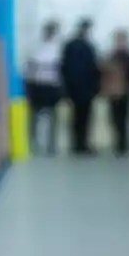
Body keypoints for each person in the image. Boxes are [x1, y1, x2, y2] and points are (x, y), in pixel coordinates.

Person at [59, 18, 101, 156]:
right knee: (85, 117)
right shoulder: (89, 47)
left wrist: (66, 88)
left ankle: (77, 144)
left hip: (74, 89)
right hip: (86, 89)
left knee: (75, 117)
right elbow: (94, 69)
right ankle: (83, 144)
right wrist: (96, 88)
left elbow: (64, 68)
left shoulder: (69, 46)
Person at [23, 20, 64, 156]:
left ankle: (41, 144)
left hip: (41, 85)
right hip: (46, 85)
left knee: (40, 116)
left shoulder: (38, 48)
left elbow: (29, 70)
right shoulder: (54, 49)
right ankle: (47, 144)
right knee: (47, 117)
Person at [100, 29, 129, 157]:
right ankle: (118, 143)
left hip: (126, 93)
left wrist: (127, 87)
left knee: (125, 119)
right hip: (113, 94)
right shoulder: (112, 57)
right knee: (114, 119)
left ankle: (124, 144)